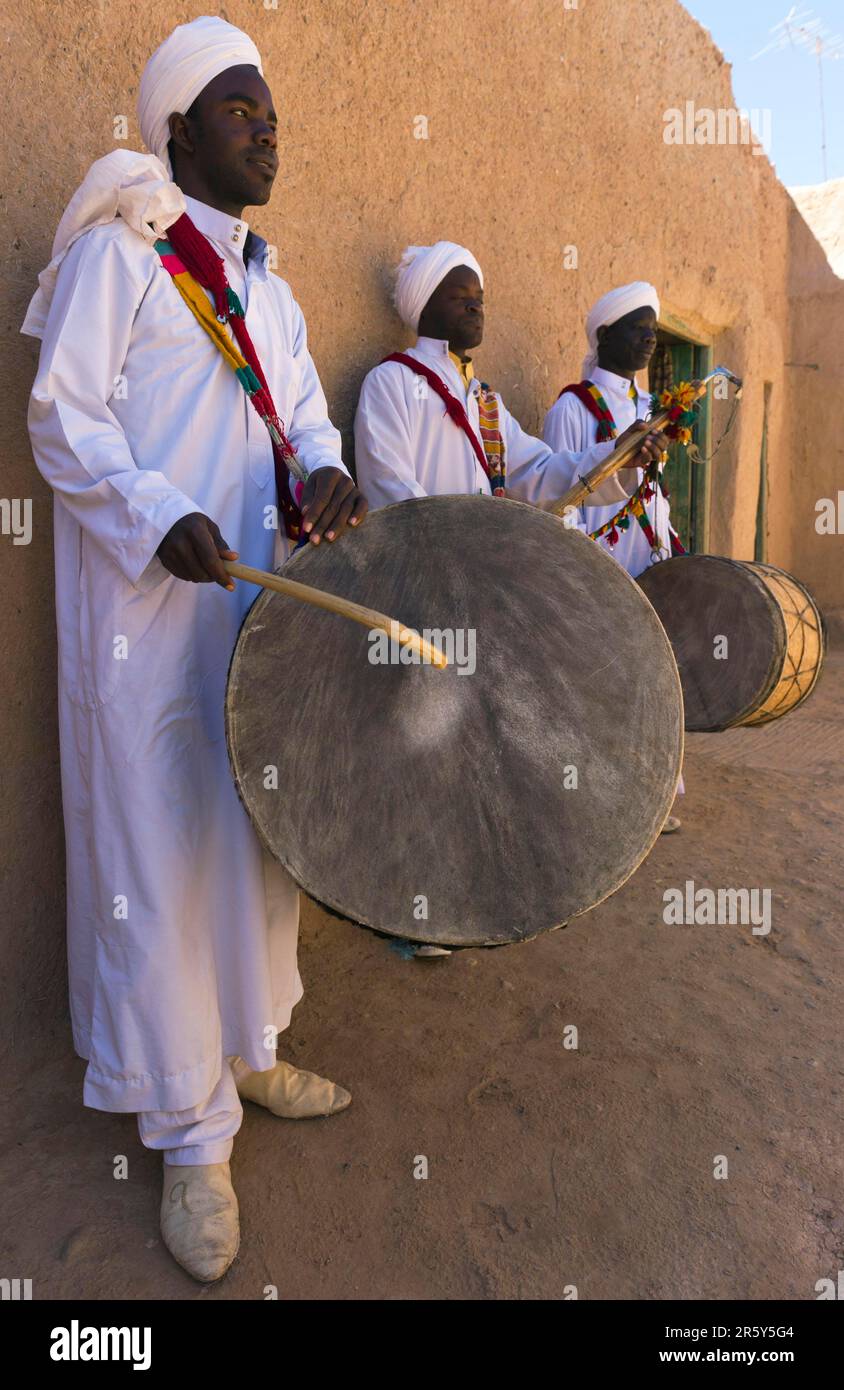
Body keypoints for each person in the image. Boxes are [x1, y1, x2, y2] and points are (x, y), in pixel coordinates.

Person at [23, 15, 368, 1284]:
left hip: (256, 616)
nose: (265, 128)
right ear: (175, 134)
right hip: (151, 626)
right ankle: (188, 1131)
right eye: (237, 110)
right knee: (162, 850)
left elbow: (309, 424)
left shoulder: (268, 290)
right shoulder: (122, 257)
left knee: (255, 834)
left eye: (270, 110)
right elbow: (62, 416)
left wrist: (327, 477)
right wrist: (153, 512)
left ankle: (251, 1044)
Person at [354, 247, 671, 955]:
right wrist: (456, 558)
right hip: (425, 590)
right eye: (460, 296)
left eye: (480, 295)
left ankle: (459, 898)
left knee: (473, 748)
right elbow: (389, 490)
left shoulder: (485, 401)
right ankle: (405, 909)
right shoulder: (391, 385)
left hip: (484, 595)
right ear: (423, 306)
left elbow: (543, 474)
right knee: (419, 749)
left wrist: (615, 457)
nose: (477, 306)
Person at [543, 282, 684, 831]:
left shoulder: (651, 408)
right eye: (638, 329)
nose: (650, 339)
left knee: (655, 675)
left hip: (648, 552)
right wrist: (581, 571)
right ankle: (603, 802)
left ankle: (657, 795)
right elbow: (562, 492)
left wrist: (670, 544)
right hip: (602, 559)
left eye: (653, 330)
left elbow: (655, 490)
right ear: (605, 335)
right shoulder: (573, 406)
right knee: (602, 677)